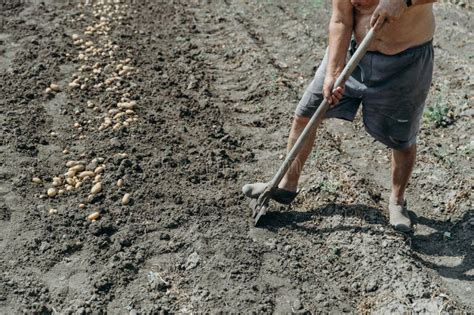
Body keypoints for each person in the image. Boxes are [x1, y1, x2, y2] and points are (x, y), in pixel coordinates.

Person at [242, 0, 437, 232]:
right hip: (354, 52)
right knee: (306, 114)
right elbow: (341, 18)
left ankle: (397, 201)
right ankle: (286, 184)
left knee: (401, 138)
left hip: (406, 62)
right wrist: (333, 72)